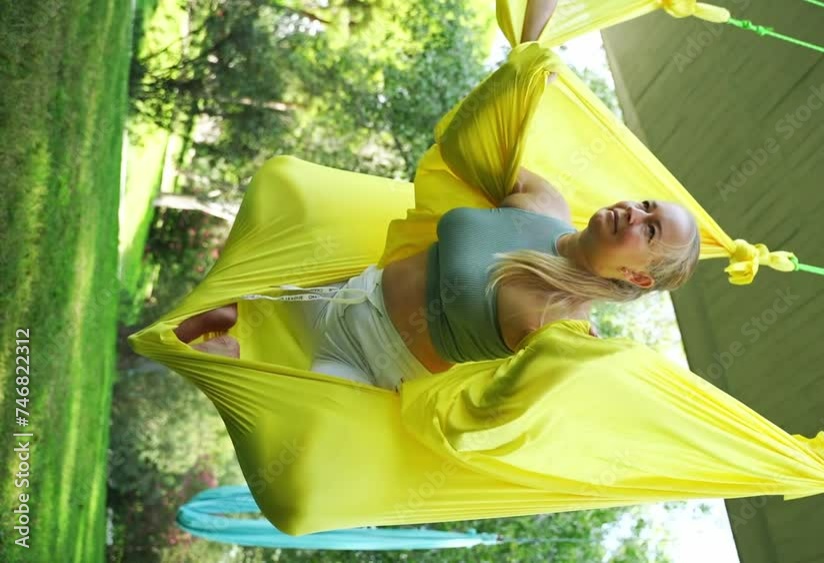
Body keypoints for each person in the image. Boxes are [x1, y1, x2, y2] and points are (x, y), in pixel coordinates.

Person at [171, 0, 702, 392]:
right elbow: (487, 135)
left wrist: (580, 361)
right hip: (343, 291)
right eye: (646, 206)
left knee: (297, 479)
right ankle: (222, 324)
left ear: (638, 277)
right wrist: (530, 54)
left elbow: (528, 407)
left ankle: (230, 363)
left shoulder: (566, 328)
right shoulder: (545, 205)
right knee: (279, 193)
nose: (634, 214)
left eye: (650, 230)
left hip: (363, 368)